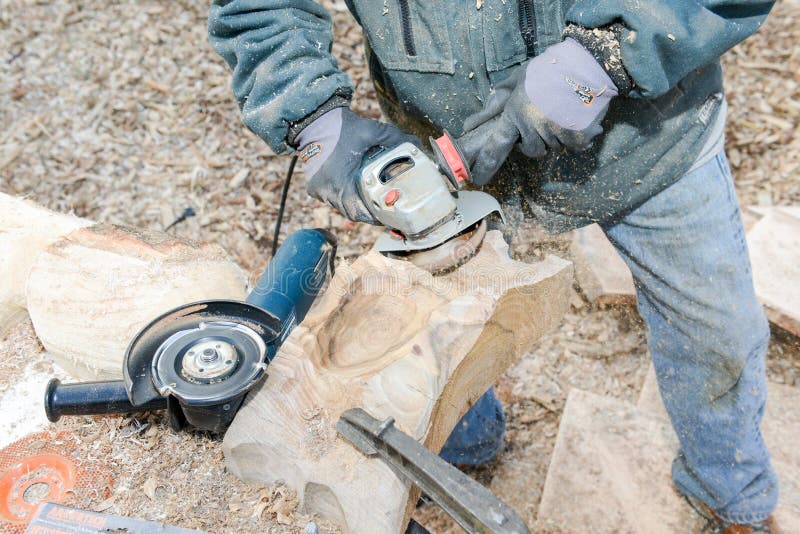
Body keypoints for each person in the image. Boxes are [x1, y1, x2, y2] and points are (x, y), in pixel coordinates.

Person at [208, 1, 780, 532]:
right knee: (427, 331)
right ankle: (461, 440)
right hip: (447, 139)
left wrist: (607, 53)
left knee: (715, 330)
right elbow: (259, 6)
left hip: (650, 135)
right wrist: (312, 118)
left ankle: (729, 490)